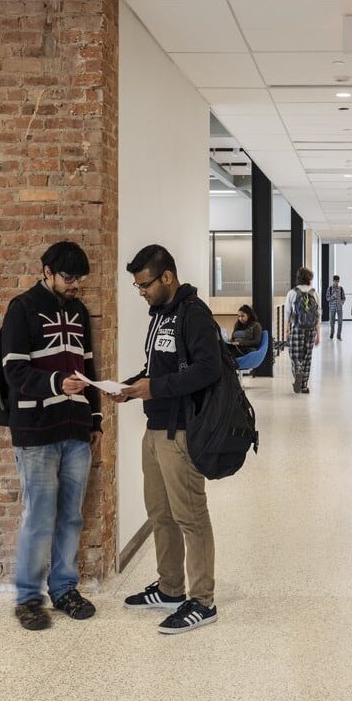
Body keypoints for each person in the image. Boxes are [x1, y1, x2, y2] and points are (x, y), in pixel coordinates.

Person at [115, 245, 223, 634]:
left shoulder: (194, 314)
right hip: (155, 428)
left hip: (182, 433)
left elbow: (208, 369)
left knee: (190, 516)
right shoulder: (160, 315)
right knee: (160, 513)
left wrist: (154, 388)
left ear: (167, 277)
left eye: (145, 284)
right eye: (137, 286)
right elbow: (157, 369)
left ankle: (203, 601)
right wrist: (130, 387)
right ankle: (170, 588)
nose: (141, 292)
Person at [0, 241, 102, 631]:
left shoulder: (79, 312)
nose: (75, 285)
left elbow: (89, 367)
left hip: (76, 430)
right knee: (39, 517)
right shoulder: (22, 308)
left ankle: (64, 590)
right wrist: (57, 382)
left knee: (71, 517)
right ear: (47, 272)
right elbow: (14, 372)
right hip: (36, 431)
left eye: (80, 279)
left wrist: (95, 420)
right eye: (69, 277)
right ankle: (28, 599)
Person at [283, 267, 321, 394]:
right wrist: (318, 335)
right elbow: (318, 314)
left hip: (297, 328)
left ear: (298, 278)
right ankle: (304, 386)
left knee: (294, 354)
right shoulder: (314, 293)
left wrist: (286, 329)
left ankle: (298, 369)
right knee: (307, 357)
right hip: (311, 329)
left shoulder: (292, 293)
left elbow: (287, 312)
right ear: (310, 278)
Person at [325, 275, 346, 340]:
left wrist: (342, 302)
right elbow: (327, 298)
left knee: (340, 322)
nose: (337, 282)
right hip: (332, 308)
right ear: (333, 281)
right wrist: (332, 297)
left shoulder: (341, 288)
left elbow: (344, 298)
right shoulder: (330, 288)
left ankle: (338, 335)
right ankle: (332, 333)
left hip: (339, 308)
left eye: (338, 281)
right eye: (335, 281)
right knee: (332, 322)